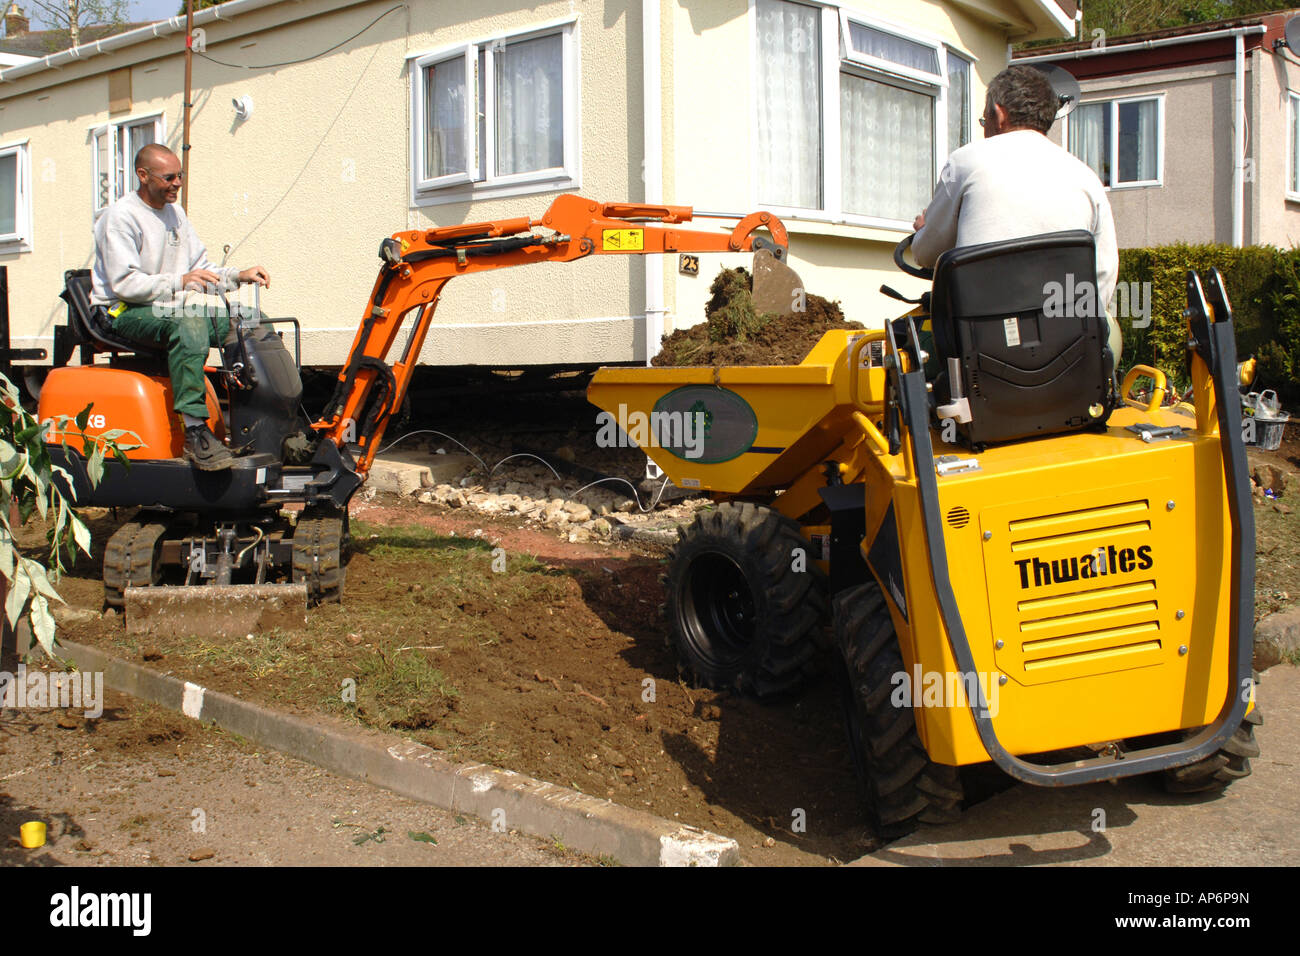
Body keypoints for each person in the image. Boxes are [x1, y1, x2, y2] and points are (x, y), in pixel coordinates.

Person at [911, 64, 1122, 361]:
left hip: (981, 358)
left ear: (1000, 114)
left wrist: (923, 230)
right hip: (1068, 359)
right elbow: (1103, 277)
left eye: (985, 119)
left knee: (910, 348)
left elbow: (924, 254)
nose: (985, 128)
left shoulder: (966, 162)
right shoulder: (1087, 179)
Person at [91, 143, 270, 471]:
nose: (177, 183)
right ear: (143, 176)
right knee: (189, 323)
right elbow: (124, 285)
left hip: (165, 309)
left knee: (249, 320)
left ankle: (259, 420)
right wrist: (180, 281)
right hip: (123, 311)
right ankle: (195, 431)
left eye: (181, 176)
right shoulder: (120, 217)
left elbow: (201, 267)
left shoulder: (176, 214)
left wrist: (238, 276)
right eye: (169, 177)